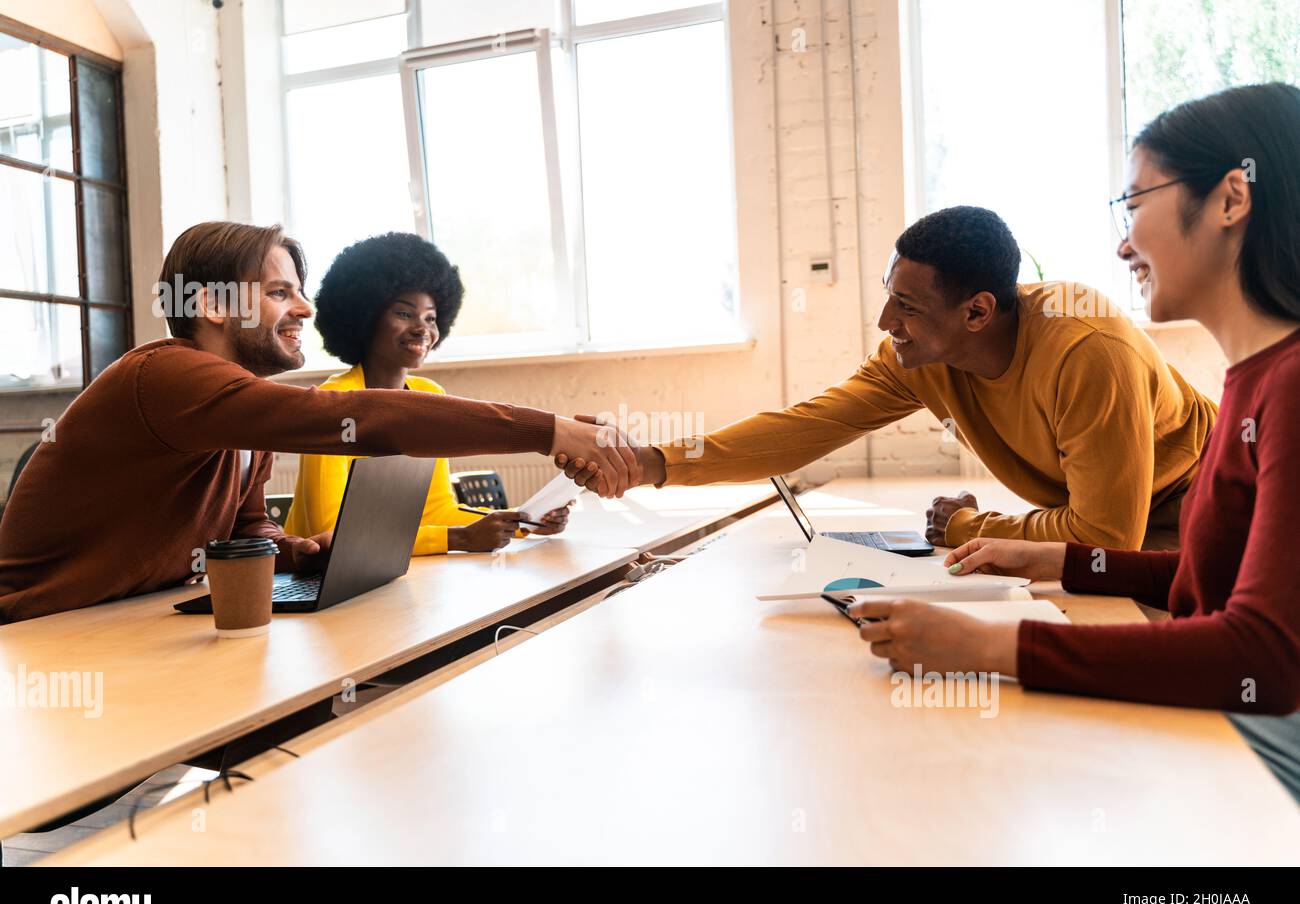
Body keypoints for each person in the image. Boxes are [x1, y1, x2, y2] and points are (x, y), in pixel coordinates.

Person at [854, 83, 1300, 800]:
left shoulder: (1290, 386)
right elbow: (1199, 580)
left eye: (1134, 205)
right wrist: (1060, 559)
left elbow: (1263, 657)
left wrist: (987, 647)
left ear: (1229, 199)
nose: (1122, 242)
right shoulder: (1250, 380)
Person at [0, 221, 636, 624]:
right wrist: (547, 428)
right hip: (42, 635)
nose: (304, 306)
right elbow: (341, 416)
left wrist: (293, 550)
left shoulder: (244, 418)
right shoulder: (163, 374)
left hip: (135, 625)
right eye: (280, 292)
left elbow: (247, 528)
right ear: (213, 305)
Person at [559, 205, 1218, 551]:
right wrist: (652, 463)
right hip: (1123, 530)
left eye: (907, 306)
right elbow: (800, 431)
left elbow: (1104, 539)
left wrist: (970, 529)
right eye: (887, 295)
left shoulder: (1085, 347)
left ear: (978, 311)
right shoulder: (922, 363)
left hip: (1211, 514)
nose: (885, 321)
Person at [284, 233, 571, 553]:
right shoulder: (332, 405)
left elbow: (436, 511)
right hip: (314, 582)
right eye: (405, 314)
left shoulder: (429, 396)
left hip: (388, 571)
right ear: (364, 317)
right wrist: (459, 539)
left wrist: (521, 522)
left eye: (431, 318)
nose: (423, 329)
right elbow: (330, 532)